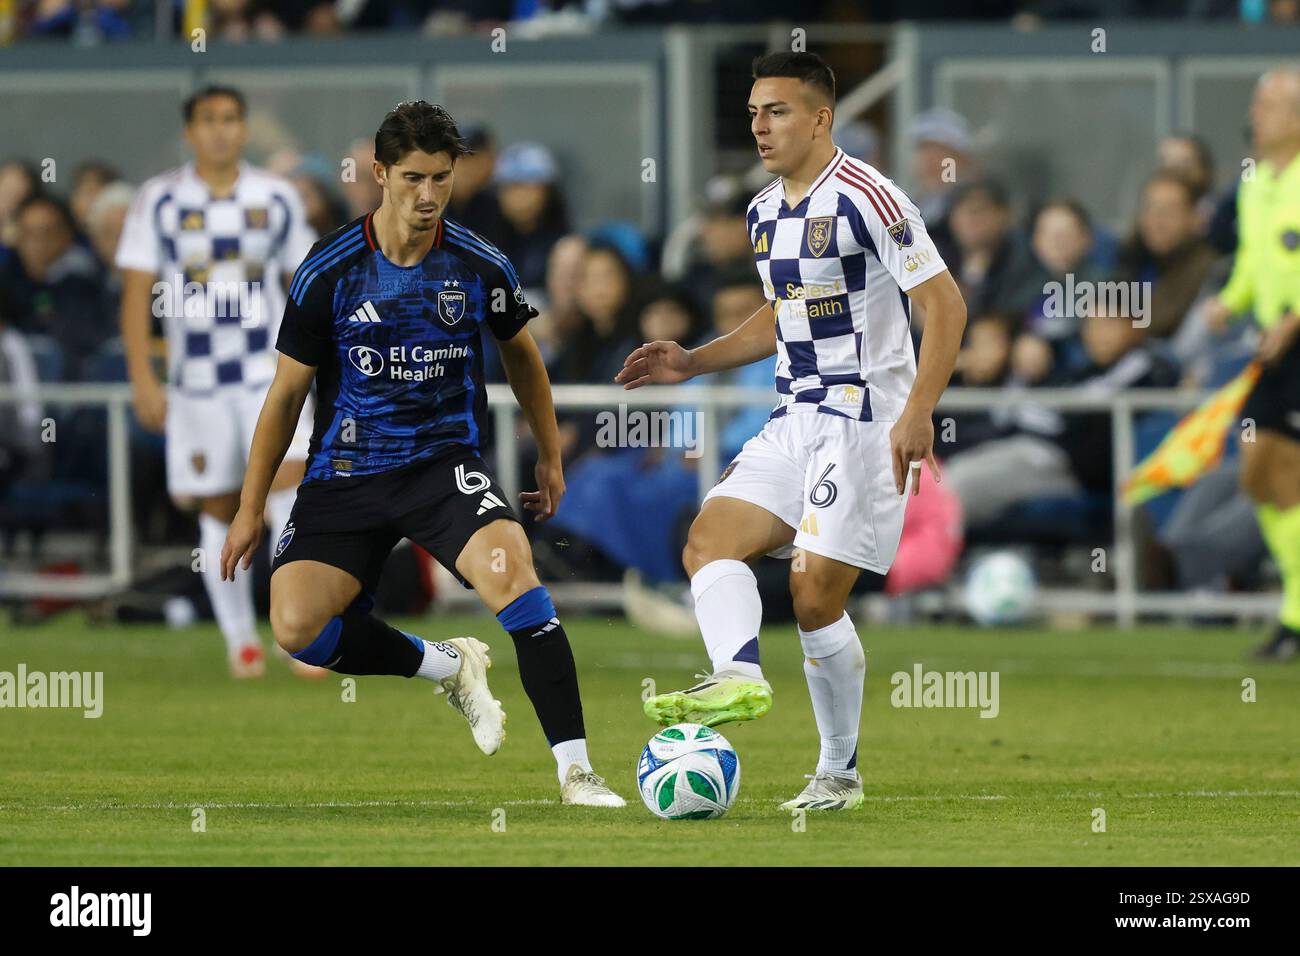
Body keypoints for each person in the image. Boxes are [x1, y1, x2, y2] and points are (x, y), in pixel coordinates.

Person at [218, 101, 625, 807]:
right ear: (379, 173)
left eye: (442, 178)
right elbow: (286, 395)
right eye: (412, 178)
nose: (429, 195)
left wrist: (549, 457)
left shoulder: (478, 263)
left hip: (443, 468)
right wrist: (250, 507)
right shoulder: (330, 269)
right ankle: (446, 667)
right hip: (346, 472)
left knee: (518, 583)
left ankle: (577, 772)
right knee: (296, 628)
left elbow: (523, 357)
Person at [617, 53, 966, 811]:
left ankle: (838, 773)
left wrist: (918, 411)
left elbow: (945, 305)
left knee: (814, 594)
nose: (760, 127)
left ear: (820, 117)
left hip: (866, 421)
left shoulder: (871, 197)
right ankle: (739, 674)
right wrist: (694, 361)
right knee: (708, 540)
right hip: (794, 415)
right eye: (751, 114)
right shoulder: (763, 210)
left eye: (776, 111)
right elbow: (783, 312)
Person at [115, 85, 319, 678]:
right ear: (190, 132)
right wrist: (143, 379)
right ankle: (240, 641)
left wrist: (318, 358)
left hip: (269, 371)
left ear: (245, 128)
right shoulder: (159, 201)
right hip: (197, 380)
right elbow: (136, 294)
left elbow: (304, 280)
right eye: (209, 120)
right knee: (220, 504)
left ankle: (294, 630)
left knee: (288, 489)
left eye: (231, 119)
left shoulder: (275, 196)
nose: (221, 130)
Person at [1204, 68, 1300, 662]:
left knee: (1270, 471)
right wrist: (1229, 303)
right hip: (1277, 349)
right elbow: (1252, 265)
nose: (1255, 114)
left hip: (1293, 340)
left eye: (1268, 104)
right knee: (1265, 478)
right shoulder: (1255, 182)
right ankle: (1295, 613)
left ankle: (1294, 618)